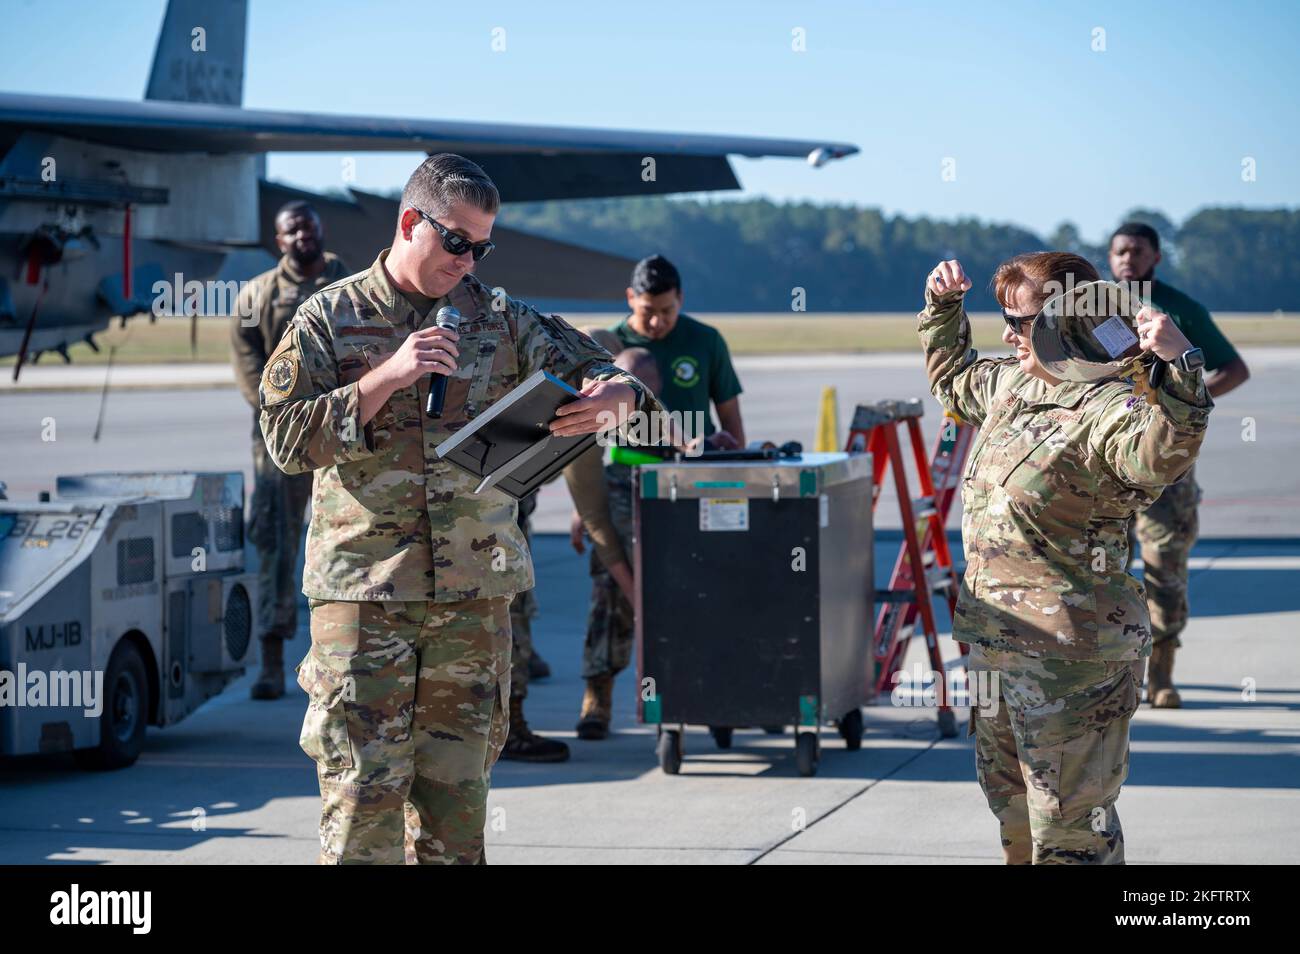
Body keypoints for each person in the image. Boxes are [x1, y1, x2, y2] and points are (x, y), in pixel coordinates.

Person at [259, 154, 660, 864]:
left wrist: (612, 397)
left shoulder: (496, 317)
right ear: (412, 222)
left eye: (483, 247)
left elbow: (603, 365)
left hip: (472, 606)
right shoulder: (329, 316)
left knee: (458, 811)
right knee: (361, 806)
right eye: (458, 243)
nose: (469, 260)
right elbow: (286, 440)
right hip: (365, 600)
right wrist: (389, 375)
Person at [920, 252, 1212, 864]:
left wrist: (1181, 370)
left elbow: (1156, 457)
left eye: (1019, 322)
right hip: (996, 647)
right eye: (1001, 318)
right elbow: (953, 378)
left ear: (1065, 322)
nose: (1006, 334)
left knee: (1071, 832)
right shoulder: (1014, 382)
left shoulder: (1112, 404)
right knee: (1013, 815)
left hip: (1073, 661)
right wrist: (943, 308)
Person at [1109, 222, 1250, 707]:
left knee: (1164, 570)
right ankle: (1115, 674)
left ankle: (1162, 676)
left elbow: (1235, 368)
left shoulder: (1181, 310)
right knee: (1104, 573)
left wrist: (1187, 399)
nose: (1128, 259)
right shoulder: (1093, 309)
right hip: (1108, 465)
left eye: (1137, 251)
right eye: (1120, 251)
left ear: (1156, 258)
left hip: (1166, 466)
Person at [229, 201, 348, 700]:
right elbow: (251, 373)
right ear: (278, 240)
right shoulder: (256, 296)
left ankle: (348, 654)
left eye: (310, 226)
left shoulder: (356, 283)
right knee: (276, 538)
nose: (303, 234)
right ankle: (273, 657)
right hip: (286, 434)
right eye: (292, 229)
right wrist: (294, 411)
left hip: (352, 427)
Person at [565, 346, 662, 739]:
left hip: (664, 539)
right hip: (615, 542)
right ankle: (598, 698)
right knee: (608, 600)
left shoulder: (667, 426)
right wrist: (633, 590)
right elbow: (597, 521)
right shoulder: (595, 433)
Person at [613, 255, 745, 449]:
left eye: (667, 311)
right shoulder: (609, 343)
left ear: (680, 299)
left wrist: (738, 465)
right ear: (631, 298)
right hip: (632, 468)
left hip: (697, 463)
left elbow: (729, 414)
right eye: (647, 311)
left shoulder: (706, 340)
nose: (657, 322)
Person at [499, 490, 570, 762]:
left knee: (514, 615)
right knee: (510, 622)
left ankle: (507, 725)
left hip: (505, 518)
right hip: (488, 522)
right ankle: (507, 730)